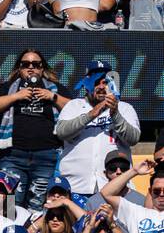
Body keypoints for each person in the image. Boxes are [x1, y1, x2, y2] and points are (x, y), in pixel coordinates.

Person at [0, 50, 72, 211]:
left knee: (39, 206)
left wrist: (53, 97)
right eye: (26, 64)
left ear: (42, 68)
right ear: (19, 68)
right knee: (9, 206)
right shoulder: (8, 87)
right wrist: (16, 96)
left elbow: (74, 109)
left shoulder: (55, 88)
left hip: (46, 157)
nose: (31, 68)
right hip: (13, 156)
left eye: (36, 64)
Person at [54, 60, 140, 196]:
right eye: (96, 82)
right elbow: (62, 133)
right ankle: (8, 214)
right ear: (87, 84)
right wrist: (91, 114)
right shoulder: (73, 106)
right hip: (76, 186)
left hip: (115, 186)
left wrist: (115, 114)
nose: (101, 87)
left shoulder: (124, 108)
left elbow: (133, 139)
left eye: (105, 82)